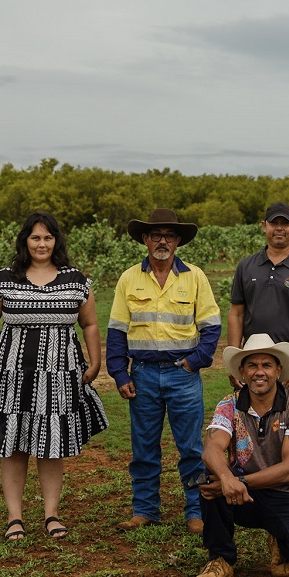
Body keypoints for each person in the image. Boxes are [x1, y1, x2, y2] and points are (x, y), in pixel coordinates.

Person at [0, 212, 109, 541]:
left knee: (51, 445)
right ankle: (15, 518)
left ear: (56, 241)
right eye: (35, 238)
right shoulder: (4, 279)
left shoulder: (76, 281)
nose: (42, 244)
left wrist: (95, 361)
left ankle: (51, 515)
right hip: (11, 373)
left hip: (60, 375)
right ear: (25, 241)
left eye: (48, 237)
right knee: (13, 445)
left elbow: (90, 324)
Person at [107, 208, 221, 535]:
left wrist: (195, 360)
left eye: (169, 236)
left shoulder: (194, 277)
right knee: (143, 446)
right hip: (142, 375)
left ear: (177, 241)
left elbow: (211, 325)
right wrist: (120, 373)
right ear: (145, 239)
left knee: (191, 448)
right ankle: (145, 510)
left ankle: (196, 510)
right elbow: (116, 330)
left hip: (182, 375)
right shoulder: (129, 278)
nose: (162, 241)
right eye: (155, 235)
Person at [190, 334, 289, 577]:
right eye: (252, 366)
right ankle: (221, 559)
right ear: (242, 371)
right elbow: (211, 448)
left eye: (266, 365)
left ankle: (282, 541)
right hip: (239, 495)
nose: (259, 372)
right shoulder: (229, 404)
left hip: (286, 493)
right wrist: (225, 477)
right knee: (211, 474)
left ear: (278, 370)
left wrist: (235, 482)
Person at [227, 201, 289, 397]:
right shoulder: (246, 266)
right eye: (274, 223)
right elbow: (236, 314)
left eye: (285, 223)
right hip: (252, 367)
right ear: (264, 226)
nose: (280, 229)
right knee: (250, 425)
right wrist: (234, 363)